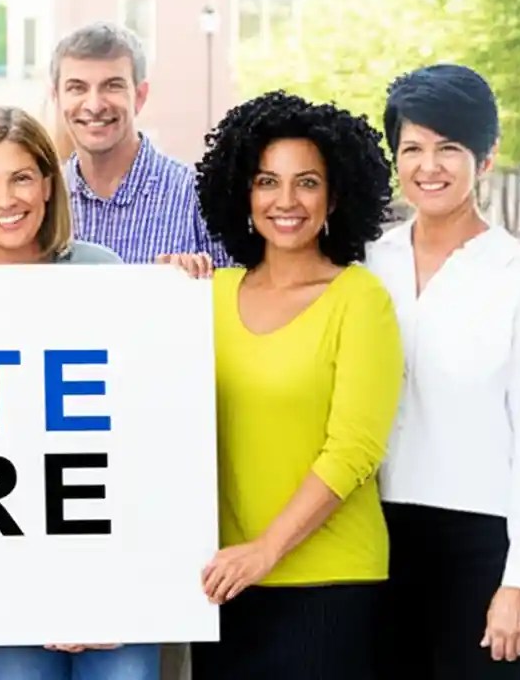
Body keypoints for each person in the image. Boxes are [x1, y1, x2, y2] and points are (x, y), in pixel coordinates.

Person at [162, 91, 403, 679]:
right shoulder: (207, 297)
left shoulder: (358, 299)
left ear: (335, 195)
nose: (286, 202)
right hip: (225, 583)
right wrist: (160, 297)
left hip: (329, 582)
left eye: (307, 183)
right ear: (243, 193)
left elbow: (354, 450)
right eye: (268, 182)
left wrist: (265, 550)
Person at [368, 64, 520, 679]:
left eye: (448, 148)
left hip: (490, 553)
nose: (428, 166)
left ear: (485, 159)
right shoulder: (367, 263)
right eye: (412, 149)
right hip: (383, 548)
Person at [0, 105, 145, 679]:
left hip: (110, 569)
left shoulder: (106, 276)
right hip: (5, 577)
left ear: (49, 185)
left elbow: (144, 429)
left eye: (22, 177)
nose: (7, 199)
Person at [51, 22, 229, 266]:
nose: (94, 105)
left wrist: (193, 282)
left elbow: (238, 295)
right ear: (56, 98)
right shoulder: (44, 199)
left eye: (112, 86)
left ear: (140, 96)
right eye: (77, 88)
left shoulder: (199, 197)